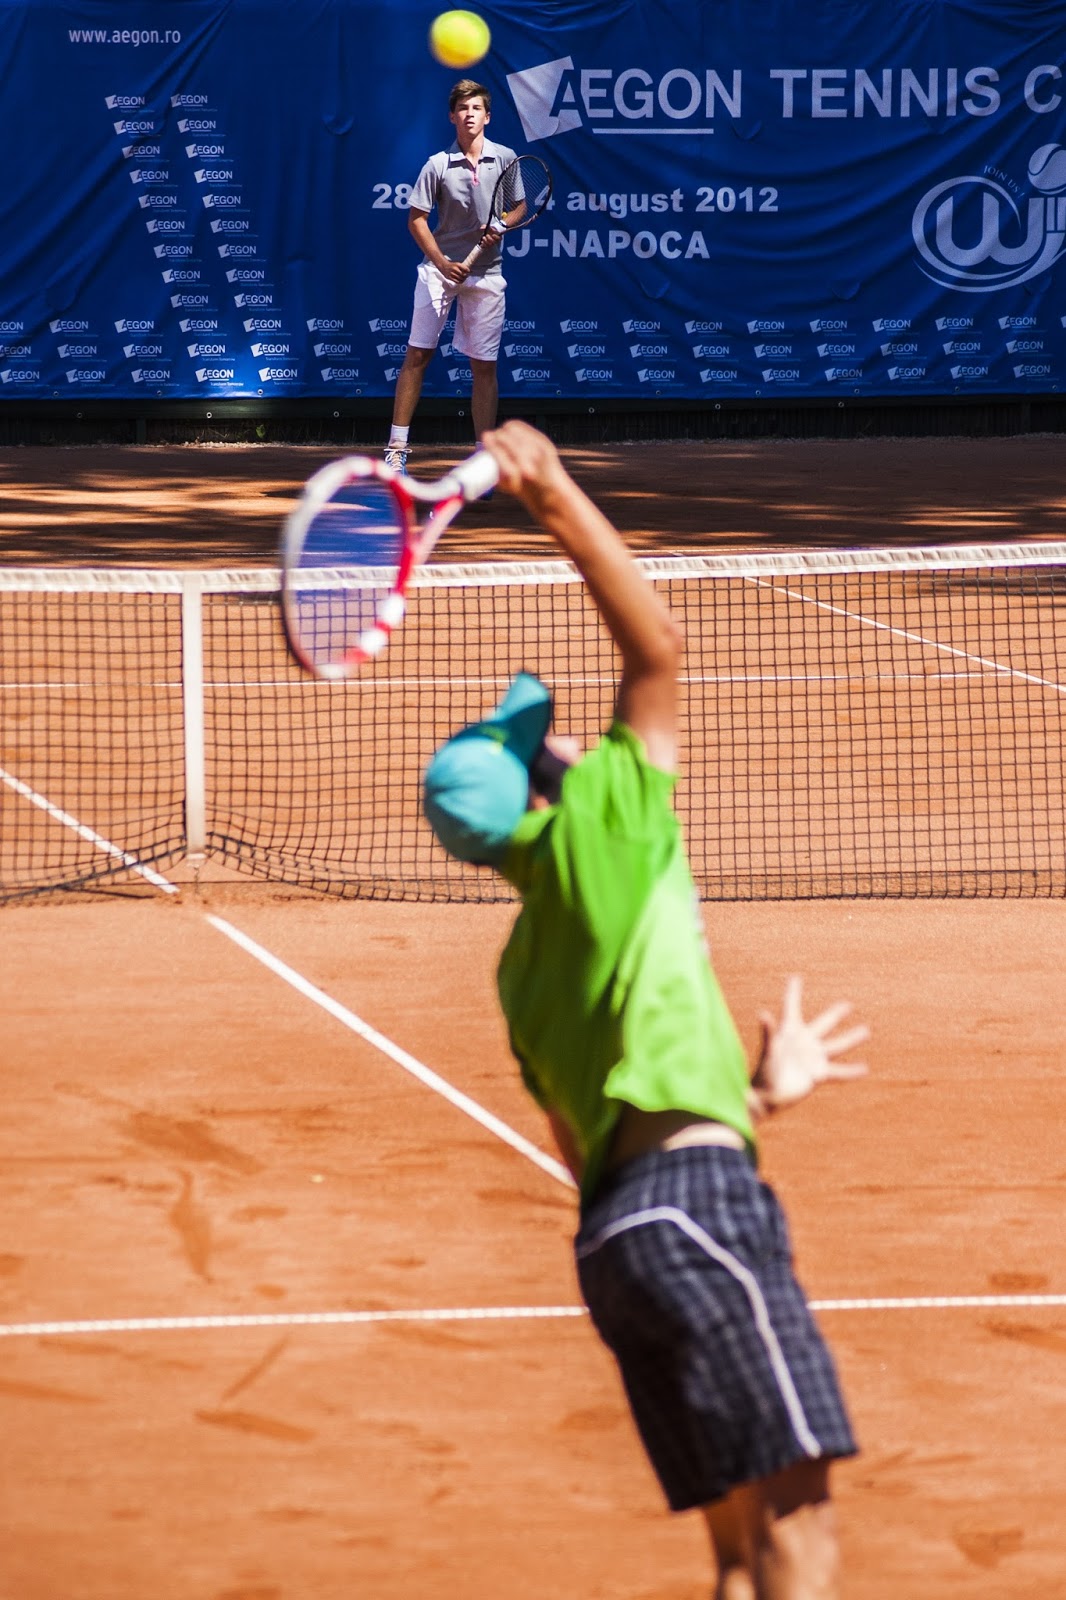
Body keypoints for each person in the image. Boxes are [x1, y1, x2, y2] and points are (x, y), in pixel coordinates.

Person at [422, 420, 870, 1600]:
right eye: (543, 742)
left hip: (619, 1247)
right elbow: (658, 648)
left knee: (735, 1552)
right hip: (702, 1214)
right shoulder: (605, 830)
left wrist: (755, 1097)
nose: (564, 734)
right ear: (546, 795)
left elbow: (595, 1159)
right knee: (798, 1529)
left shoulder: (522, 974)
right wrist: (552, 489)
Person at [384, 80, 515, 477]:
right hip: (439, 274)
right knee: (418, 354)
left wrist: (502, 223)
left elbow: (522, 204)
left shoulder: (507, 158)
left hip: (487, 274)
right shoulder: (437, 164)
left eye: (477, 107)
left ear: (487, 117)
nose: (470, 113)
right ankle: (396, 449)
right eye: (463, 108)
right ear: (452, 117)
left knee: (484, 367)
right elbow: (416, 220)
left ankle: (482, 459)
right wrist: (441, 262)